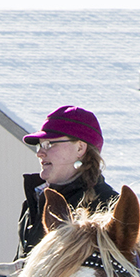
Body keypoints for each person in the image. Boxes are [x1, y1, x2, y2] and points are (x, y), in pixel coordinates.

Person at [17, 106, 117, 258]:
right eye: (39, 145)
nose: (39, 153)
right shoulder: (34, 201)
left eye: (49, 144)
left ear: (80, 148)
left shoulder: (108, 205)